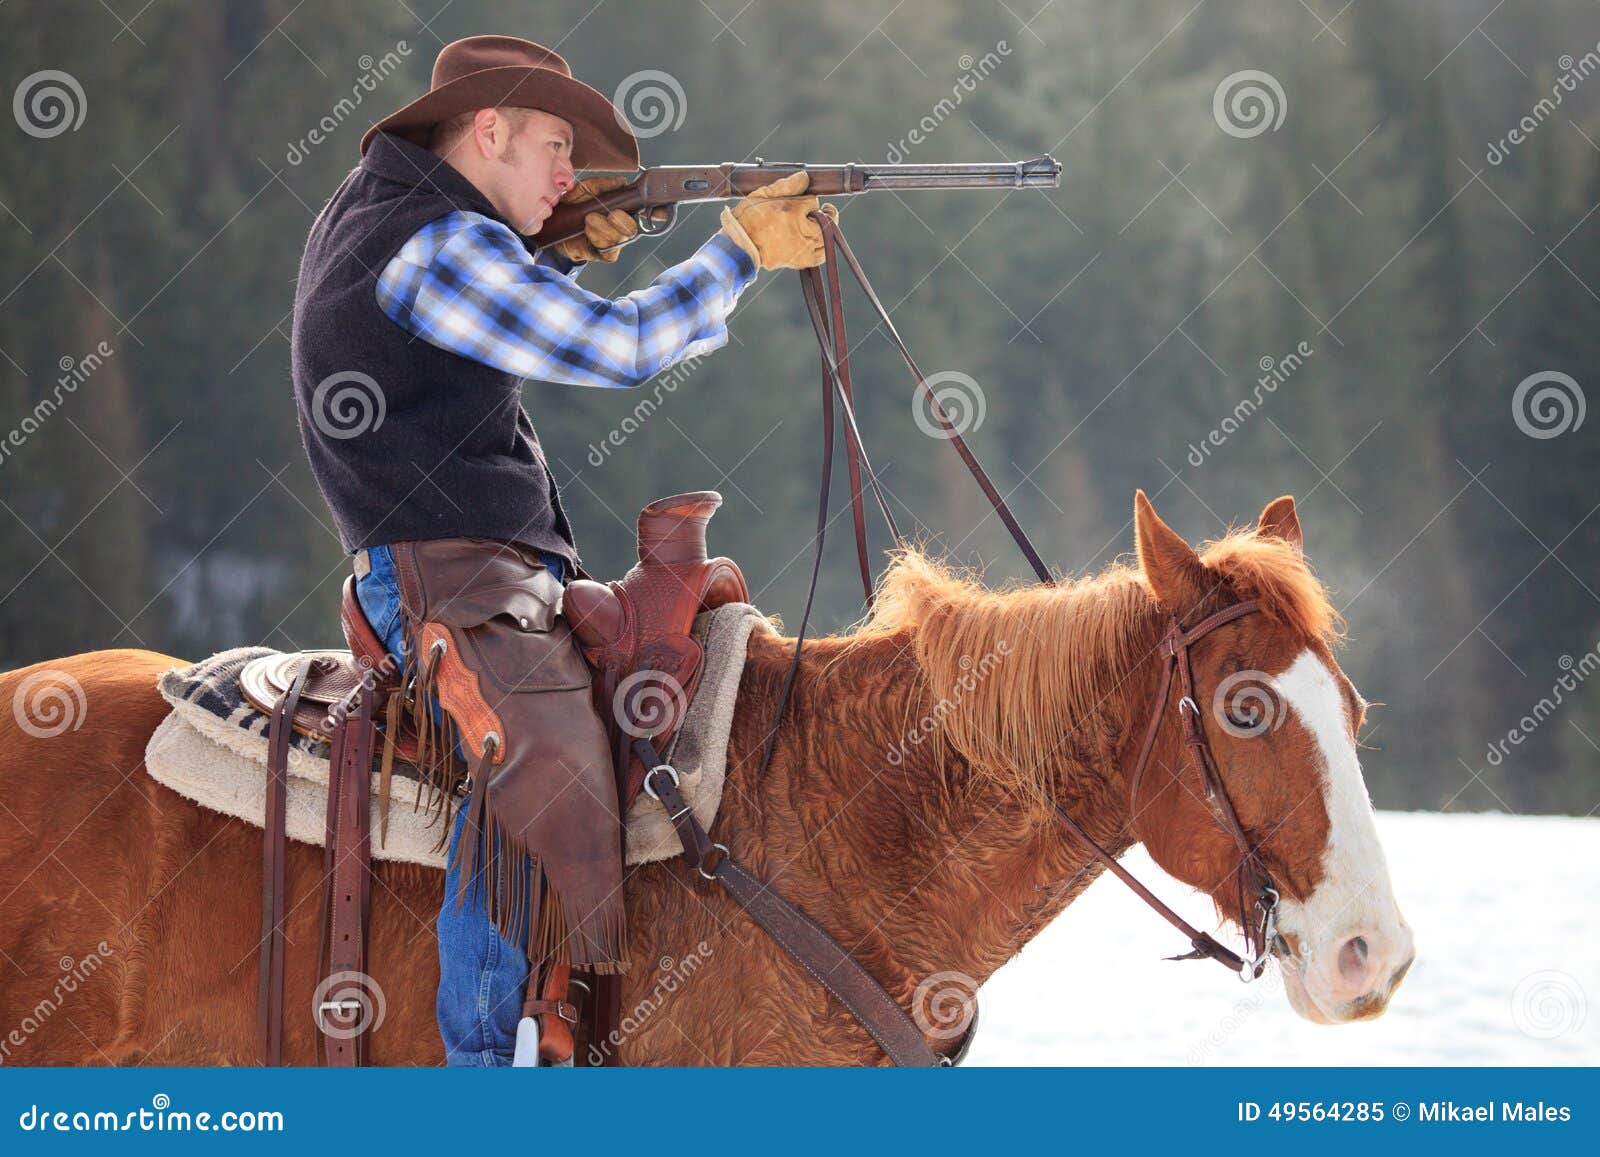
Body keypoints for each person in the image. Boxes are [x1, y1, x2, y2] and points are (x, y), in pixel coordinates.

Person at [289, 34, 835, 1066]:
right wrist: (740, 251)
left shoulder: (384, 216)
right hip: (444, 582)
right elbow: (617, 347)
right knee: (538, 757)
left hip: (468, 571)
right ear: (487, 131)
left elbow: (472, 317)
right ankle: (486, 1068)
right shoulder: (441, 244)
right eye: (550, 147)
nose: (567, 176)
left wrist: (560, 244)